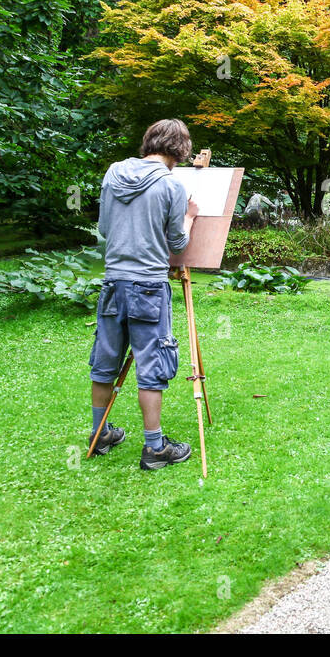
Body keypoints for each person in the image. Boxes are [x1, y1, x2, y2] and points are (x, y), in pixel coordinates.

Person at [87, 119, 198, 470]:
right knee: (151, 365)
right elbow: (177, 243)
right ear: (180, 151)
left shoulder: (114, 173)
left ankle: (99, 434)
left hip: (113, 283)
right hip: (148, 285)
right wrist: (189, 218)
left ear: (148, 142)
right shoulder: (171, 186)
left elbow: (104, 228)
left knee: (105, 363)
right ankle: (155, 448)